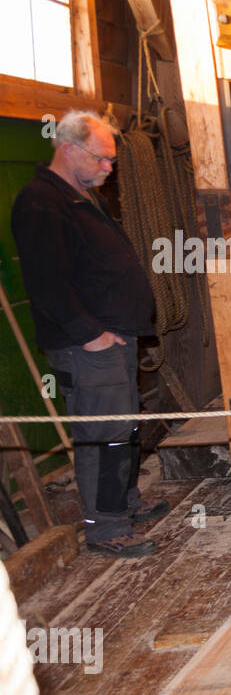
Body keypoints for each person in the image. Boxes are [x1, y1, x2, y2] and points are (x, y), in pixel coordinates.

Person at [11, 110, 169, 557]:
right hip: (90, 347)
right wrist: (91, 335)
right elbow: (46, 283)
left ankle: (125, 504)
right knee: (103, 434)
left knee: (121, 429)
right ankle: (106, 528)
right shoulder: (41, 202)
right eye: (101, 159)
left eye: (111, 161)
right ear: (69, 149)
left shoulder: (79, 195)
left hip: (113, 338)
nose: (109, 168)